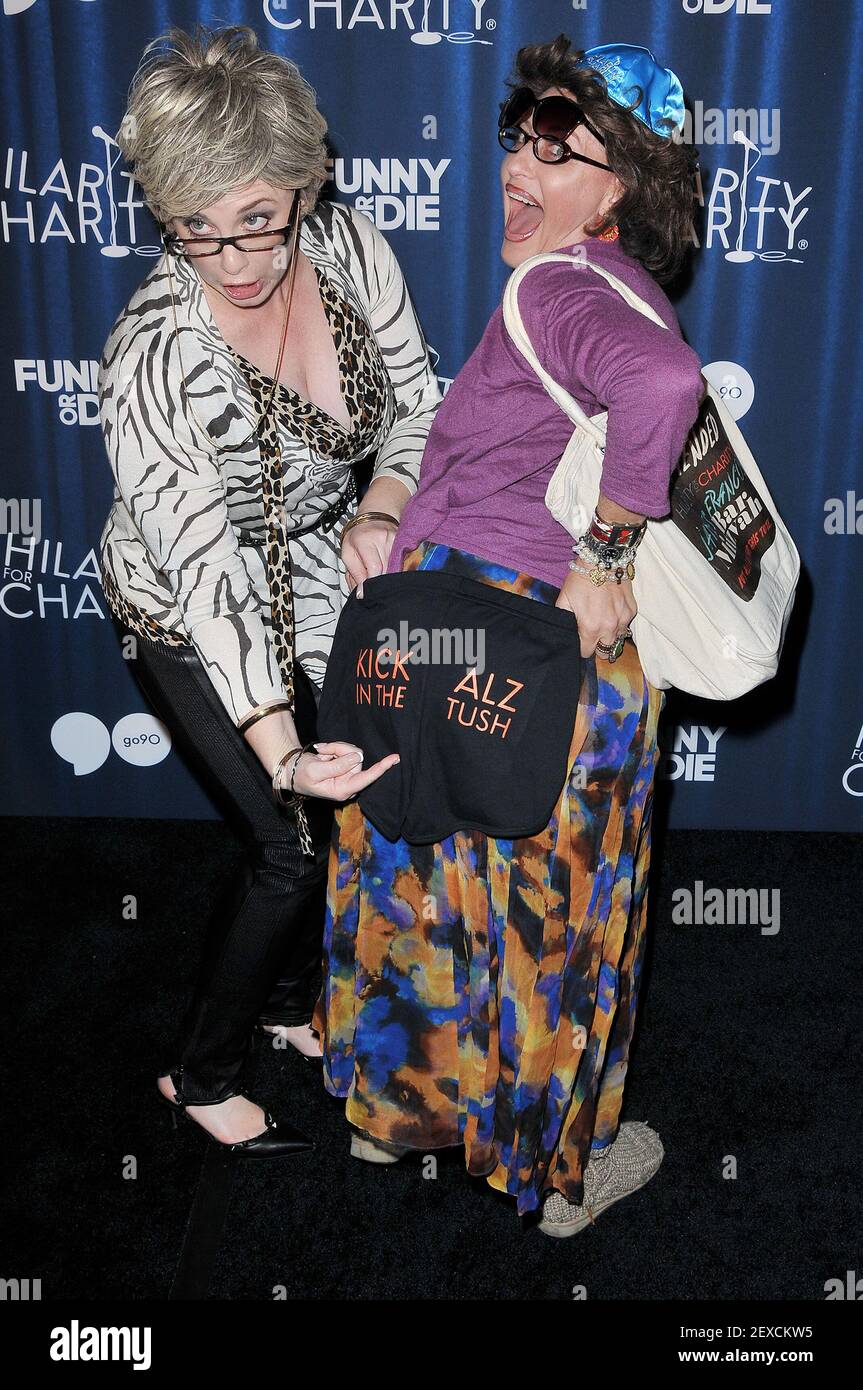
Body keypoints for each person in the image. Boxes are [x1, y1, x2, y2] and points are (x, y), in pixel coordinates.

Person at [314, 38, 706, 1229]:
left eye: (557, 143)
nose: (519, 163)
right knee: (531, 912)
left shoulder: (563, 283)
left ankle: (403, 1112)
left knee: (427, 871)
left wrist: (604, 554)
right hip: (512, 643)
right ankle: (549, 1174)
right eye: (517, 134)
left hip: (471, 633)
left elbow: (660, 387)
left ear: (620, 184)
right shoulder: (559, 282)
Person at [97, 24, 440, 1155]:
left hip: (317, 580)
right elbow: (205, 564)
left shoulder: (346, 246)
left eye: (258, 221)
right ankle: (200, 1075)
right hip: (185, 608)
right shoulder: (154, 352)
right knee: (288, 836)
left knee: (332, 822)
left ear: (305, 185)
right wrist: (278, 741)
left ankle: (295, 1007)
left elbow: (415, 408)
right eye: (198, 233)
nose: (237, 261)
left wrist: (385, 502)